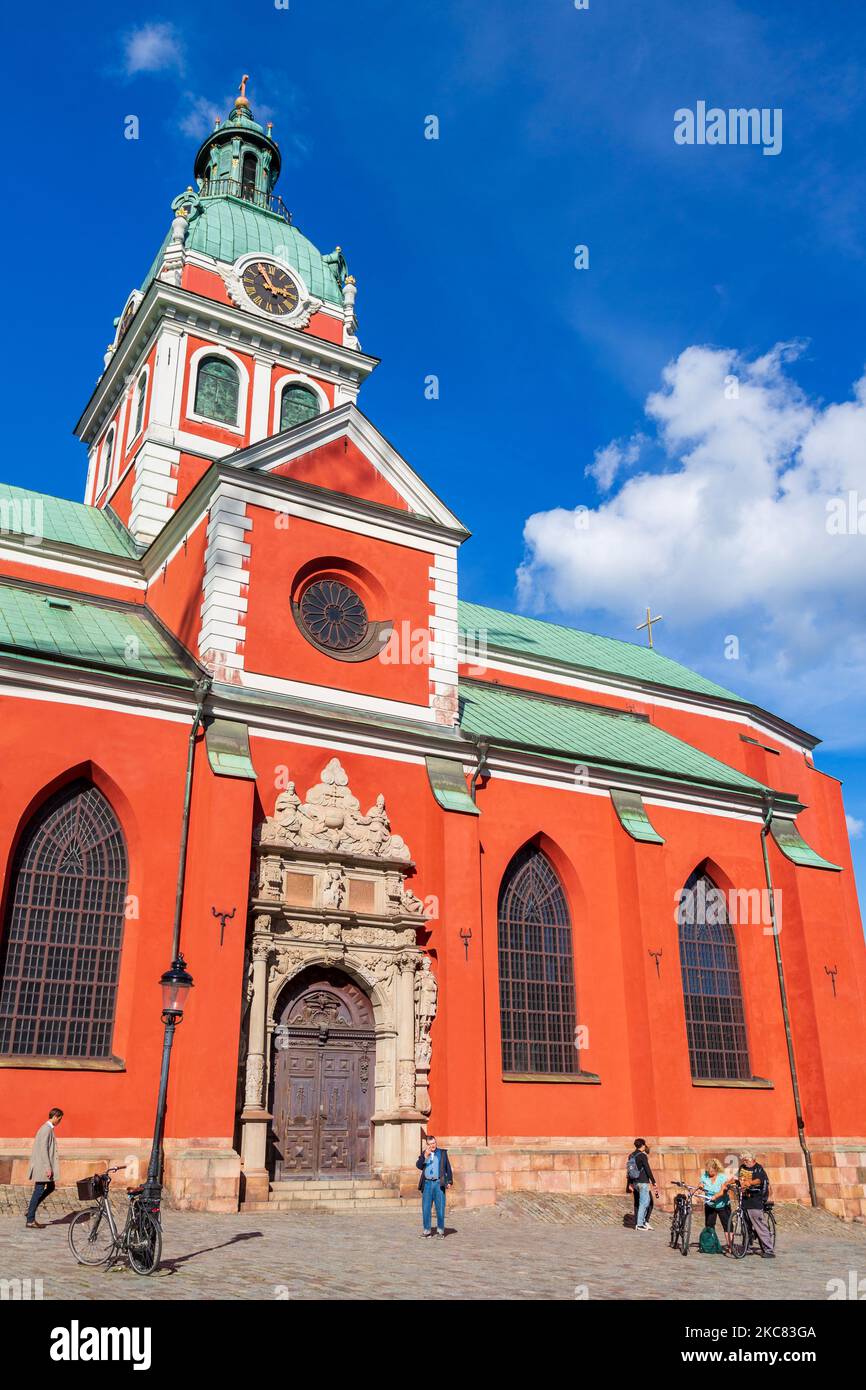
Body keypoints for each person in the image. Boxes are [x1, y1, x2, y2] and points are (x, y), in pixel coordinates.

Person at [25, 1107, 63, 1230]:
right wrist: (48, 1168)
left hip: (43, 1166)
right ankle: (30, 1219)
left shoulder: (47, 1129)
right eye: (60, 1119)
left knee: (50, 1187)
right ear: (55, 1117)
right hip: (42, 1167)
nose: (60, 1122)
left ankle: (31, 1209)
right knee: (39, 1190)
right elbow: (43, 1150)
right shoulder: (46, 1129)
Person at [737, 1149, 774, 1257]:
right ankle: (747, 1247)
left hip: (755, 1201)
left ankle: (769, 1250)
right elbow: (740, 1179)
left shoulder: (758, 1168)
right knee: (745, 1226)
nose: (744, 1163)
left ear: (752, 1160)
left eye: (745, 1160)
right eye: (743, 1161)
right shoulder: (742, 1168)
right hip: (744, 1200)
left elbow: (759, 1180)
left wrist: (749, 1182)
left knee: (760, 1227)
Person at [416, 1135, 453, 1238]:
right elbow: (419, 1166)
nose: (433, 1145)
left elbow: (448, 1168)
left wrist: (449, 1181)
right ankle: (427, 1231)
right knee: (426, 1208)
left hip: (438, 1183)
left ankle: (440, 1231)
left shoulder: (442, 1153)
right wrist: (425, 1156)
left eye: (434, 1143)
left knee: (440, 1208)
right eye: (430, 1144)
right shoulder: (424, 1154)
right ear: (427, 1145)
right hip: (427, 1184)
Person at [700, 1158, 734, 1253]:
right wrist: (701, 1185)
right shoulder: (705, 1176)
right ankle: (711, 1244)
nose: (709, 1172)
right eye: (708, 1170)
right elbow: (701, 1183)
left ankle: (730, 1246)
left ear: (716, 1169)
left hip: (722, 1204)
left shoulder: (722, 1177)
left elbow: (724, 1191)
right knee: (709, 1225)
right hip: (710, 1205)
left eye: (711, 1170)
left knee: (727, 1225)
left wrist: (716, 1196)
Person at [626, 1138, 660, 1231]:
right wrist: (653, 1182)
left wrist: (629, 1183)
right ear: (642, 1145)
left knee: (646, 1201)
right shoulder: (642, 1156)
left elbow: (629, 1171)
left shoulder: (631, 1155)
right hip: (643, 1182)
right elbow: (647, 1169)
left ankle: (643, 1222)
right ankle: (640, 1224)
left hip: (635, 1182)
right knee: (644, 1203)